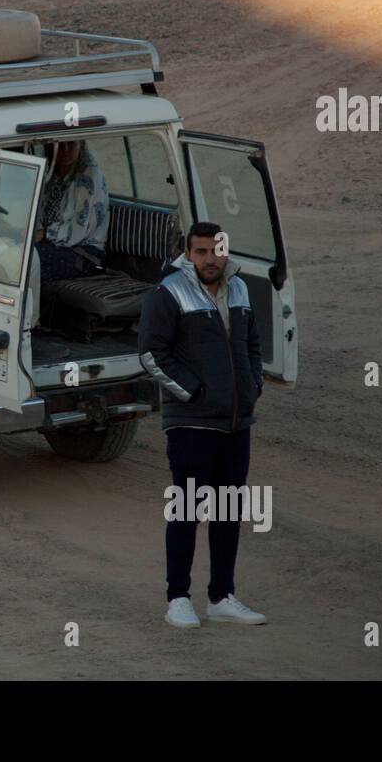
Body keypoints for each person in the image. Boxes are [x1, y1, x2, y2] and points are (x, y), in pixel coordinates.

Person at [137, 221, 266, 629]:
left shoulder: (240, 288)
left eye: (217, 250)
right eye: (201, 252)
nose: (211, 259)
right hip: (191, 423)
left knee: (228, 512)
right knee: (186, 512)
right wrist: (195, 394)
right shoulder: (167, 293)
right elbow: (152, 354)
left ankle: (221, 597)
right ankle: (178, 599)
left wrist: (252, 386)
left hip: (236, 423)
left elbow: (252, 344)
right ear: (188, 254)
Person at [34, 141, 108, 282]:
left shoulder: (90, 176)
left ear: (81, 145)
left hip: (86, 256)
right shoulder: (52, 177)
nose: (65, 149)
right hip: (56, 247)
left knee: (30, 259)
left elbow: (79, 230)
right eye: (60, 144)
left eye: (71, 143)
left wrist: (45, 234)